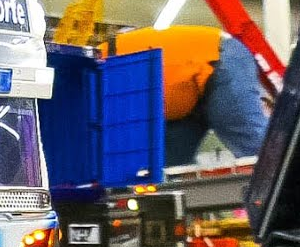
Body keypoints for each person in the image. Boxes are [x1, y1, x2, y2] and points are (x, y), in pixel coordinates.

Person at [104, 26, 268, 167]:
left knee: (255, 147)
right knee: (165, 168)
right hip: (183, 99)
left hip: (217, 59)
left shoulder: (94, 73)